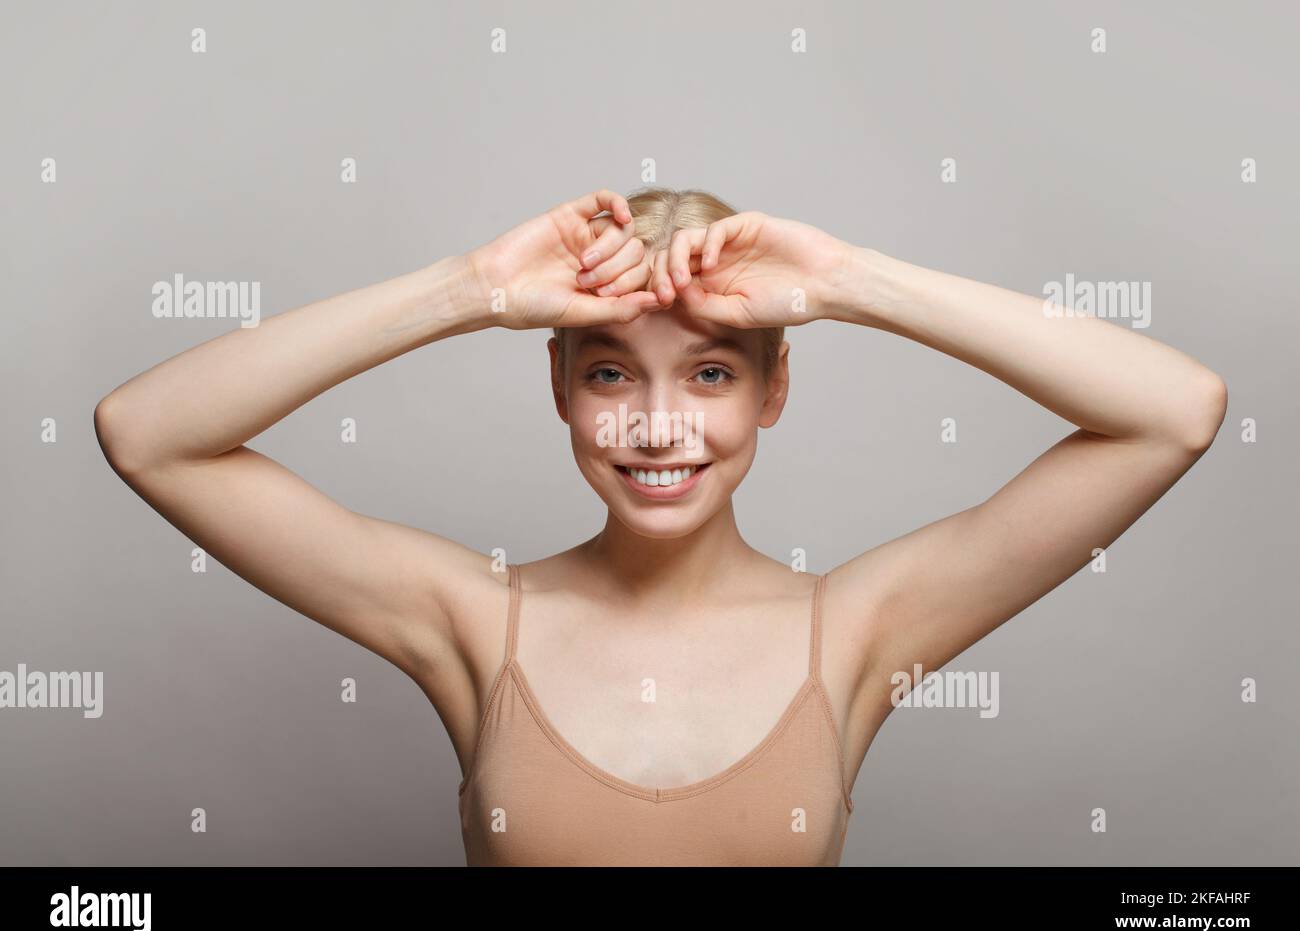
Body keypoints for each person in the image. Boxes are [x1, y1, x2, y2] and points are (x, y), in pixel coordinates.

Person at [94, 186, 1228, 865]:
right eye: (607, 373)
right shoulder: (475, 620)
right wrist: (469, 288)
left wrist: (849, 279)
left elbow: (1172, 414)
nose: (654, 425)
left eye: (710, 372)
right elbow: (147, 432)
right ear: (559, 388)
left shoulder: (860, 626)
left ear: (772, 391)